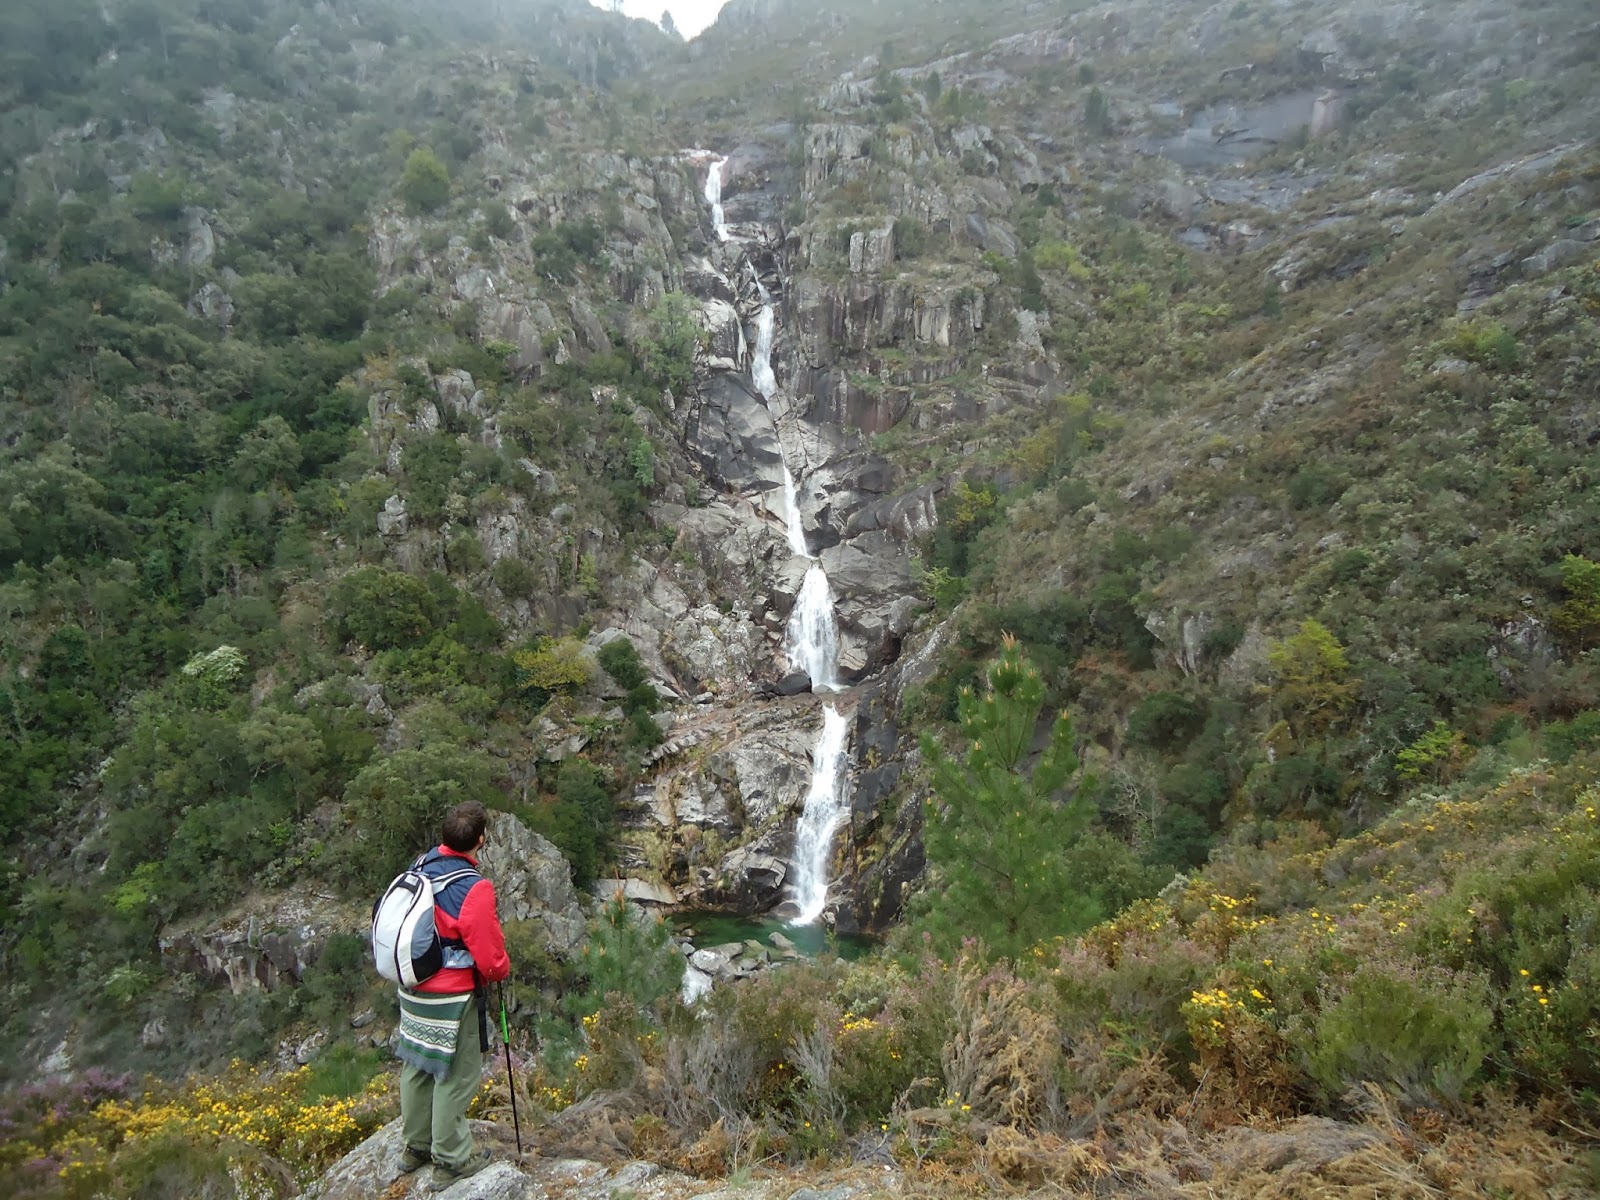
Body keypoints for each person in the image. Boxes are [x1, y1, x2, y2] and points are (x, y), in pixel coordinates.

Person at [394, 801, 511, 1186]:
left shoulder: (420, 865)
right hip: (451, 997)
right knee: (455, 1075)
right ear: (481, 840)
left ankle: (415, 1148)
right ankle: (451, 1159)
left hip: (412, 988)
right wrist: (502, 969)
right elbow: (491, 961)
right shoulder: (473, 888)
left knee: (418, 1064)